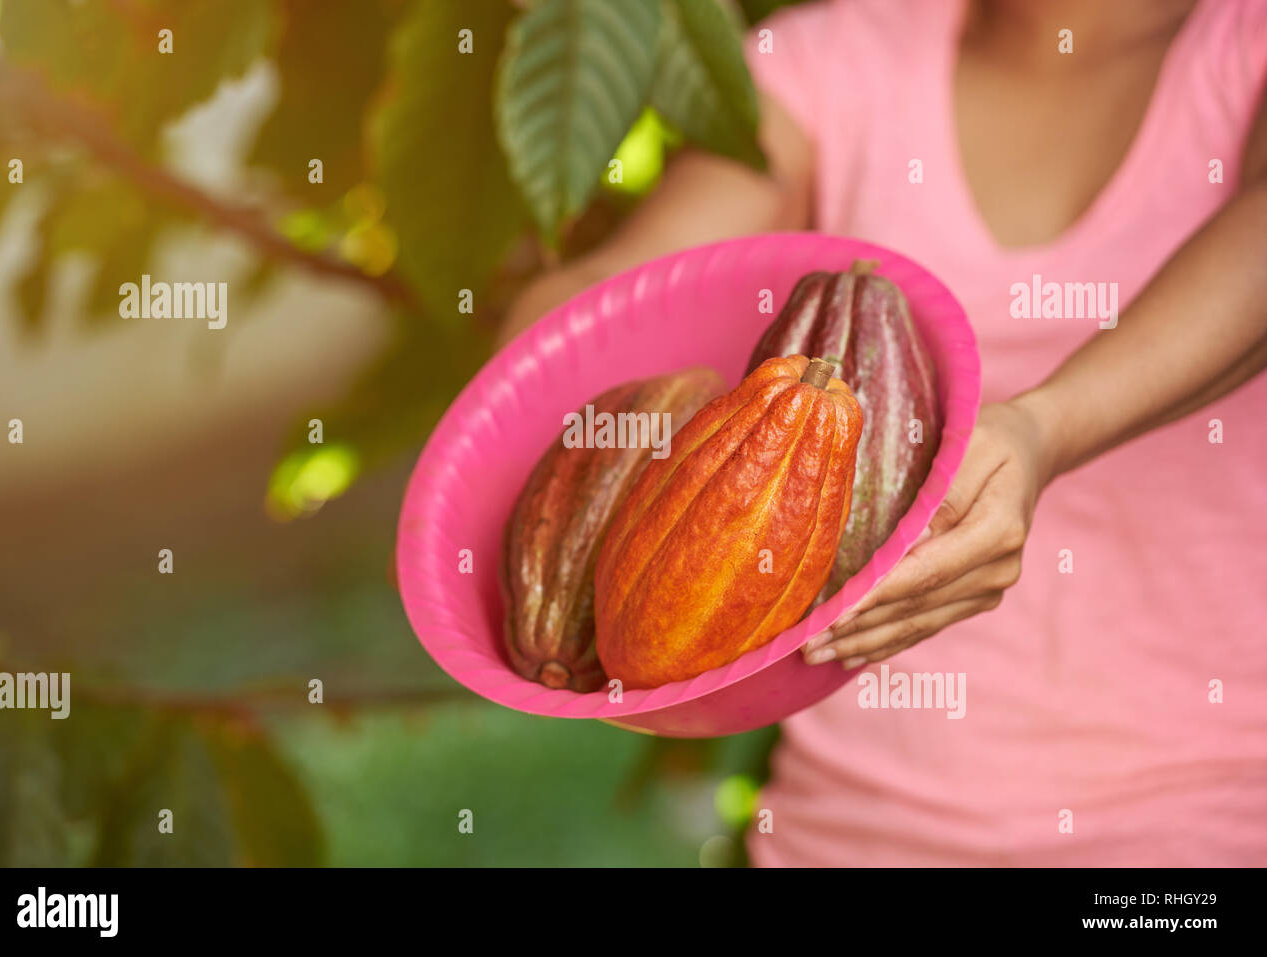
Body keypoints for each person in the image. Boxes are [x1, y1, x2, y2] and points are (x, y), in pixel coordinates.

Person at [499, 0, 1267, 866]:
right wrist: (527, 374)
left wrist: (1044, 430)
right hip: (846, 829)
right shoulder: (829, 61)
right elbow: (628, 291)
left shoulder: (1245, 48)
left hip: (1199, 833)